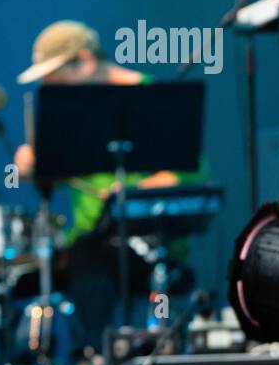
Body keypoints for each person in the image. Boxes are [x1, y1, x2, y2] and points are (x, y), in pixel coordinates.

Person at [12, 21, 202, 347]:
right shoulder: (69, 112)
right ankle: (84, 357)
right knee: (30, 276)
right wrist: (27, 166)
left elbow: (187, 175)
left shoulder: (153, 100)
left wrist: (130, 194)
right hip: (88, 243)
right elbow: (49, 175)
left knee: (90, 258)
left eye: (55, 74)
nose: (48, 84)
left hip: (147, 243)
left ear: (85, 60)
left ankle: (99, 358)